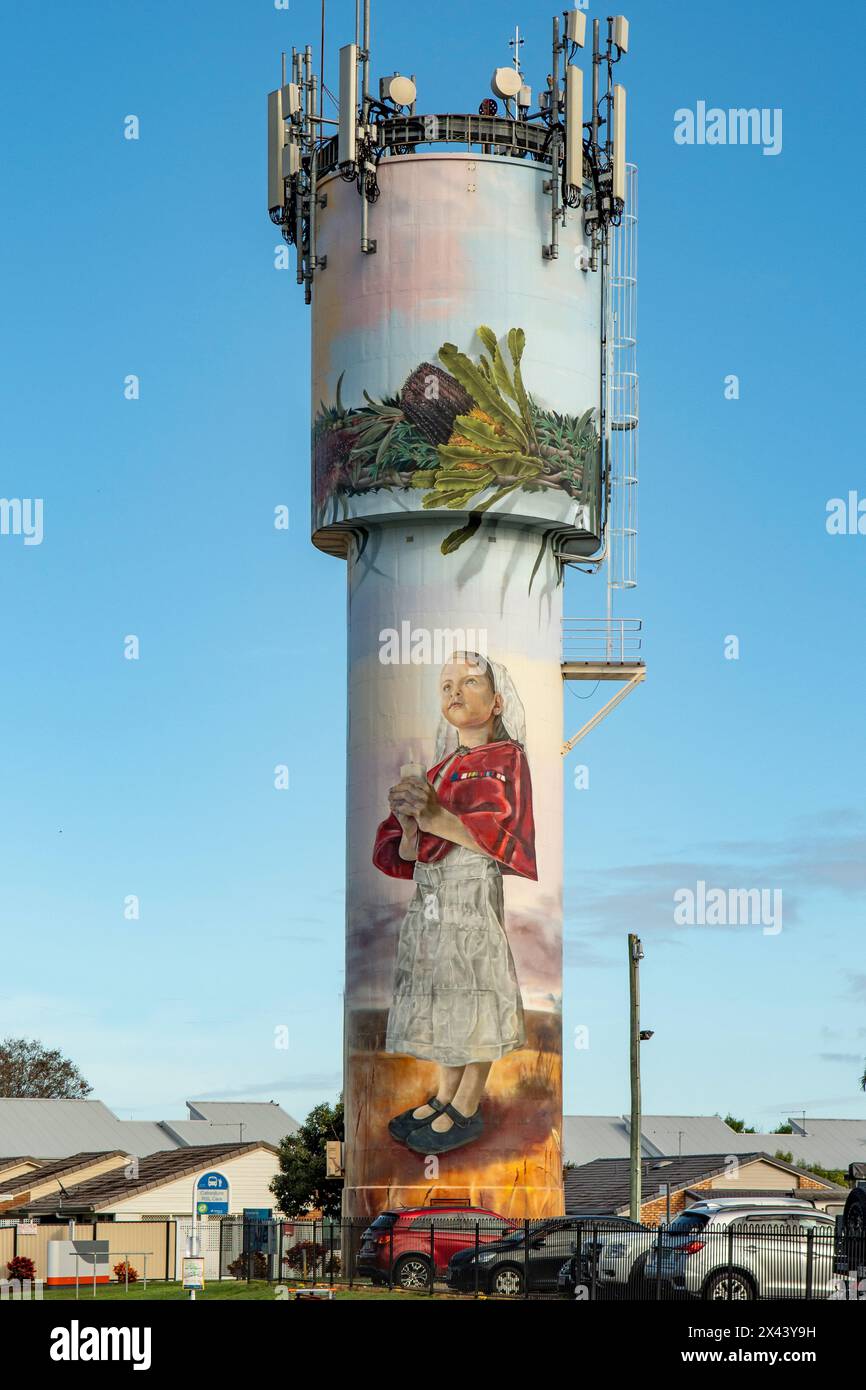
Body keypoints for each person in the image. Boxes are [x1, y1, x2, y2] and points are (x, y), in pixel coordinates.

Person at [372, 651, 537, 1155]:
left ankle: (467, 1105)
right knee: (444, 992)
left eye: (468, 683)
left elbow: (496, 835)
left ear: (497, 701)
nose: (455, 694)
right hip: (433, 894)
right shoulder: (441, 768)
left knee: (475, 986)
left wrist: (432, 815)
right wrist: (408, 825)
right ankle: (445, 1095)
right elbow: (408, 851)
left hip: (469, 890)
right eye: (446, 686)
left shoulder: (507, 757)